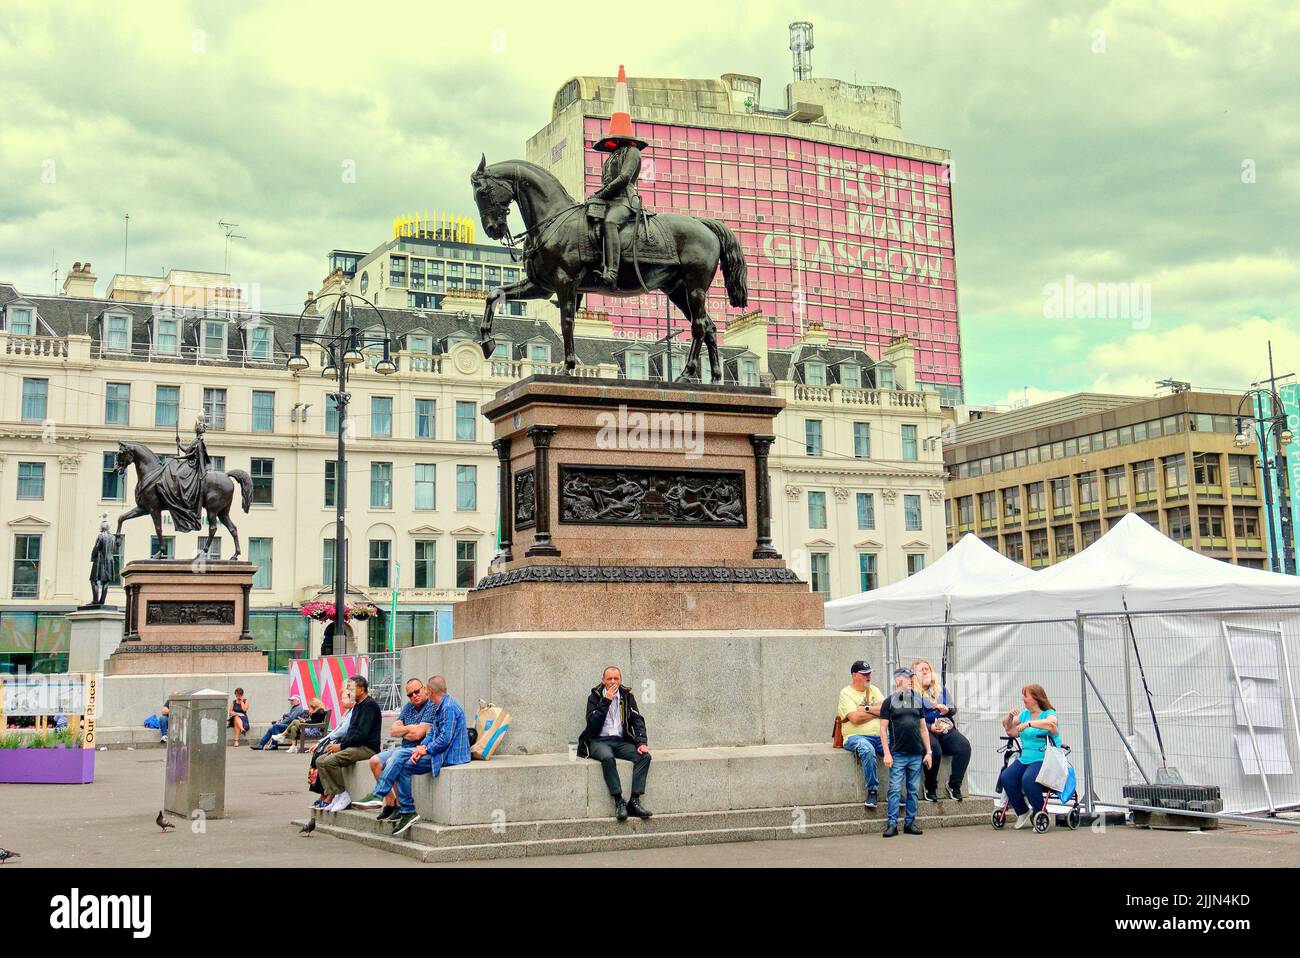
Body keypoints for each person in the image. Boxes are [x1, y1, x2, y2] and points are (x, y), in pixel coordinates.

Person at [383, 675, 472, 836]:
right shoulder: (441, 706)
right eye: (410, 694)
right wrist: (421, 747)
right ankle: (407, 811)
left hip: (450, 756)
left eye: (420, 691)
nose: (415, 696)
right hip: (439, 752)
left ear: (429, 691)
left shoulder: (449, 708)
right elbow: (432, 733)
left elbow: (445, 739)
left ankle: (407, 810)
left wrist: (427, 749)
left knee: (401, 765)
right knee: (401, 764)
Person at [587, 65, 648, 287]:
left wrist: (600, 193)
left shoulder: (632, 152)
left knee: (610, 223)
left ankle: (612, 271)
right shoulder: (612, 156)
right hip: (608, 201)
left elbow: (623, 179)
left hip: (624, 202)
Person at [352, 679, 436, 820]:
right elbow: (393, 731)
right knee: (374, 761)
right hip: (404, 747)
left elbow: (418, 734)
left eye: (417, 691)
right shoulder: (408, 707)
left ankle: (401, 805)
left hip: (418, 749)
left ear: (425, 689)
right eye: (410, 694)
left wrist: (406, 730)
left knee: (394, 760)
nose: (414, 696)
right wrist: (410, 728)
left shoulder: (431, 707)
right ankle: (391, 802)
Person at [577, 666, 652, 822]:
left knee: (644, 756)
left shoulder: (627, 697)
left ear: (620, 680)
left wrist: (641, 742)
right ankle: (619, 800)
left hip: (620, 741)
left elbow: (638, 721)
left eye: (616, 678)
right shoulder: (594, 698)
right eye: (609, 678)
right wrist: (606, 702)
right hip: (598, 741)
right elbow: (592, 724)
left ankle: (634, 801)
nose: (612, 682)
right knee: (607, 757)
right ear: (603, 680)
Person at [878, 667, 931, 838]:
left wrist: (928, 751)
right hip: (898, 753)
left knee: (913, 789)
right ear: (898, 680)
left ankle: (910, 822)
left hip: (916, 752)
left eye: (911, 678)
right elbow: (883, 729)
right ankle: (892, 824)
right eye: (907, 678)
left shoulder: (917, 699)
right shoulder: (889, 702)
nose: (910, 680)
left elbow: (923, 728)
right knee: (894, 789)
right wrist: (886, 753)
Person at [316, 676, 382, 813]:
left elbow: (362, 735)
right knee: (320, 760)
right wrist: (342, 745)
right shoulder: (357, 706)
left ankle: (343, 795)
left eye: (351, 689)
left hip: (367, 749)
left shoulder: (370, 706)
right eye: (348, 689)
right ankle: (336, 795)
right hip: (355, 746)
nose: (348, 692)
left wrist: (341, 747)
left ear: (362, 689)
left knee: (329, 761)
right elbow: (351, 733)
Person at [999, 684, 1060, 829]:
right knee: (1006, 777)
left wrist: (1029, 724)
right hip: (1025, 758)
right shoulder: (1024, 714)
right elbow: (1009, 729)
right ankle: (1022, 811)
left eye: (1025, 696)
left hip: (1044, 759)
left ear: (1036, 698)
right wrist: (1009, 716)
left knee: (1028, 779)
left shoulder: (1048, 713)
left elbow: (1052, 724)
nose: (1023, 699)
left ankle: (1040, 811)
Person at [911, 658, 972, 802]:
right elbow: (911, 718)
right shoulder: (911, 694)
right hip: (924, 728)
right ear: (914, 675)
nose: (926, 672)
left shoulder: (940, 689)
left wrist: (946, 710)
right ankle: (930, 786)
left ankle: (954, 785)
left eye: (928, 669)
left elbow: (953, 709)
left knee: (964, 746)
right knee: (934, 750)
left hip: (943, 725)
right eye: (921, 669)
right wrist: (929, 727)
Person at [837, 660, 885, 809]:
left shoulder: (874, 690)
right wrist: (875, 712)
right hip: (855, 737)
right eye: (864, 674)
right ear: (854, 675)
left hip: (879, 735)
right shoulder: (846, 693)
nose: (868, 676)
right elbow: (855, 719)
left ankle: (895, 790)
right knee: (867, 750)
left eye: (869, 673)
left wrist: (864, 709)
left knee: (897, 749)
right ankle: (872, 790)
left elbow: (886, 710)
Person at [309, 687, 355, 809]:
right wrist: (322, 741)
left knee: (324, 758)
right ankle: (323, 793)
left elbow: (343, 731)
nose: (341, 701)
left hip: (344, 742)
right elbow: (337, 729)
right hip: (338, 740)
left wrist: (326, 740)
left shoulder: (354, 712)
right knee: (317, 757)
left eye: (344, 698)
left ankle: (331, 794)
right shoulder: (347, 712)